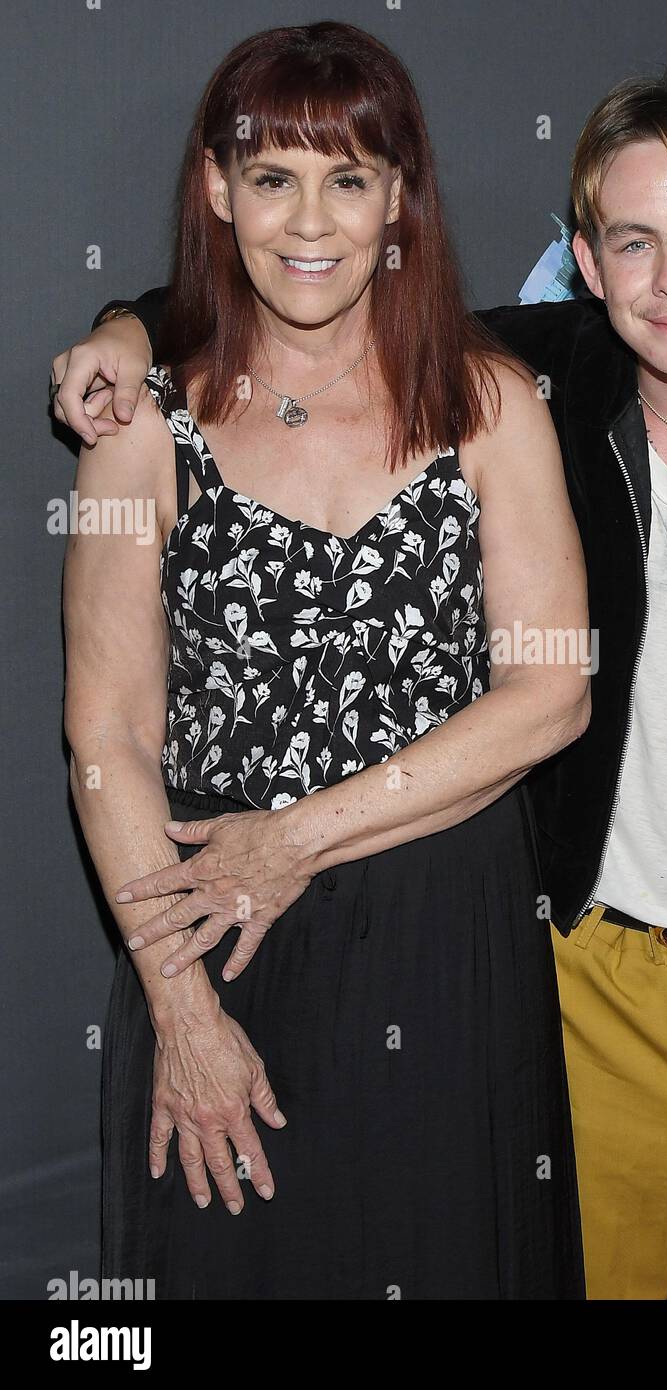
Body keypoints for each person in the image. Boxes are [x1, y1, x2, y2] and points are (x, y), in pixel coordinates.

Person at [55, 68, 667, 1300]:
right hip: (586, 991)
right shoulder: (540, 377)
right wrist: (125, 329)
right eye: (633, 242)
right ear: (583, 261)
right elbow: (299, 280)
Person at [58, 21, 589, 1300]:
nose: (311, 219)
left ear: (397, 197)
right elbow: (108, 739)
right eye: (273, 175)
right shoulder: (139, 430)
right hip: (211, 947)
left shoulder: (491, 406)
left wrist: (292, 837)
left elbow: (552, 691)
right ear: (215, 187)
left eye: (348, 178)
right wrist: (182, 1013)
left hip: (447, 948)